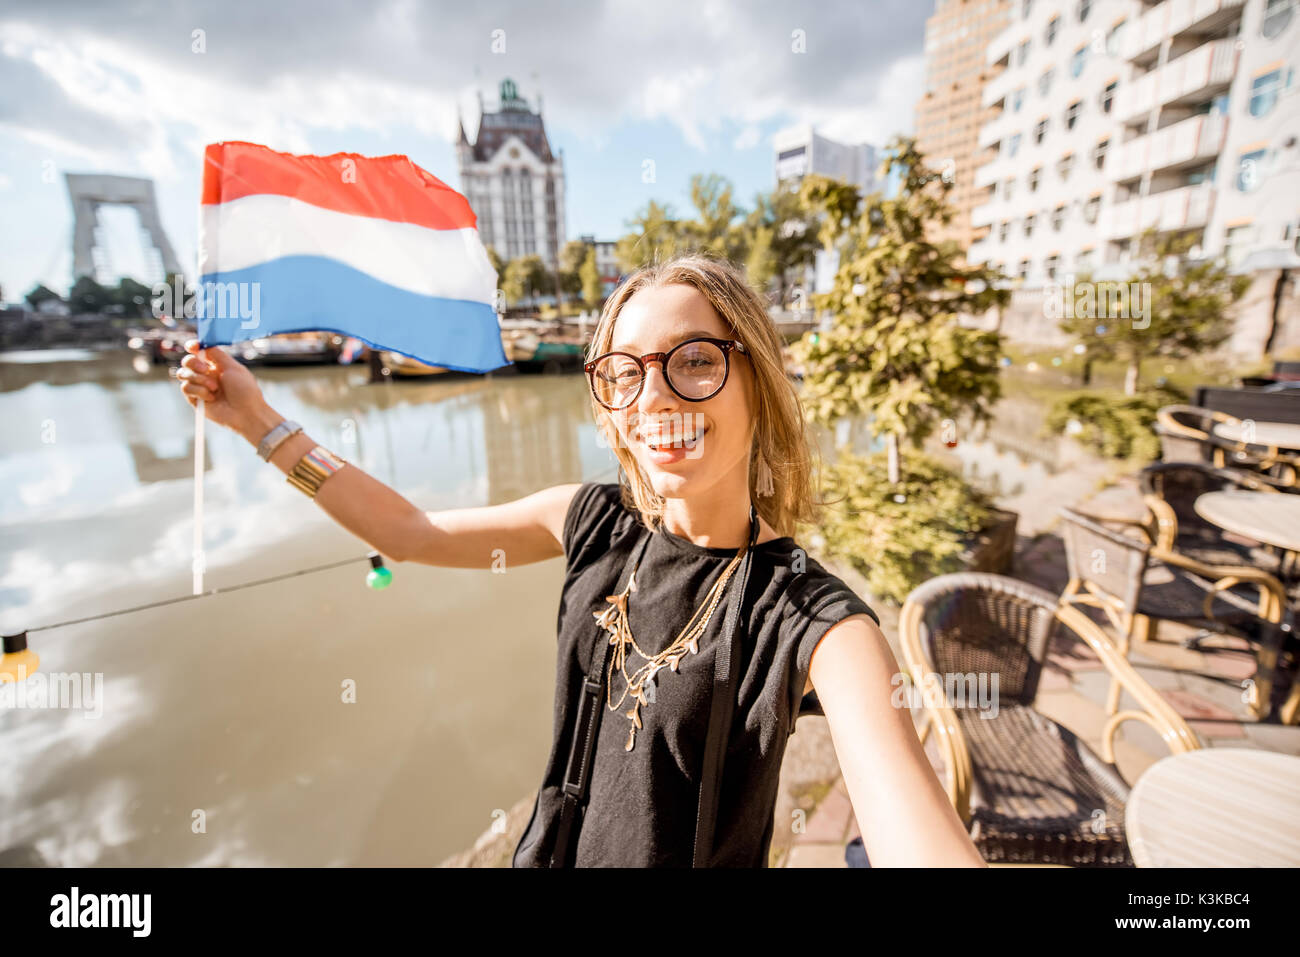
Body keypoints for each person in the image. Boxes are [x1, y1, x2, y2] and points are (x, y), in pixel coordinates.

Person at [175, 253, 985, 868]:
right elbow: (411, 533)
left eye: (694, 360)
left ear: (757, 379)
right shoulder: (593, 521)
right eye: (624, 372)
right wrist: (257, 421)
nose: (654, 397)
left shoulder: (815, 623)